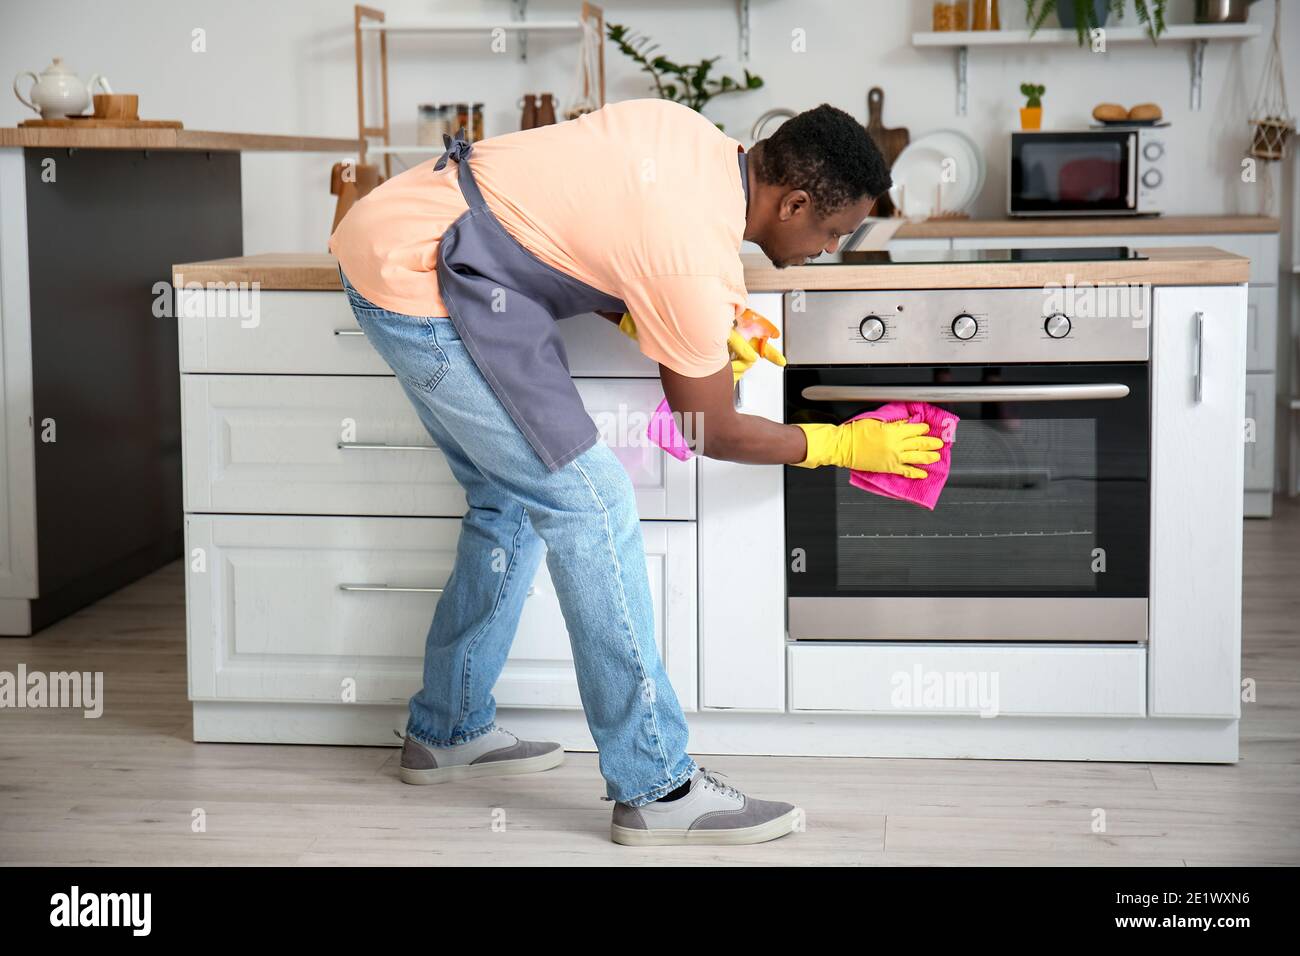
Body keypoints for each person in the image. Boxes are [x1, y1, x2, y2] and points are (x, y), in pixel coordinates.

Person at [329, 99, 942, 847]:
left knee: (512, 498)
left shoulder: (689, 138)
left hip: (398, 234)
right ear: (794, 202)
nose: (827, 248)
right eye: (831, 232)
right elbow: (706, 428)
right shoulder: (694, 256)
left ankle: (448, 728)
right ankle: (657, 785)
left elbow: (587, 217)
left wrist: (688, 322)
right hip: (421, 278)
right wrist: (838, 446)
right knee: (593, 504)